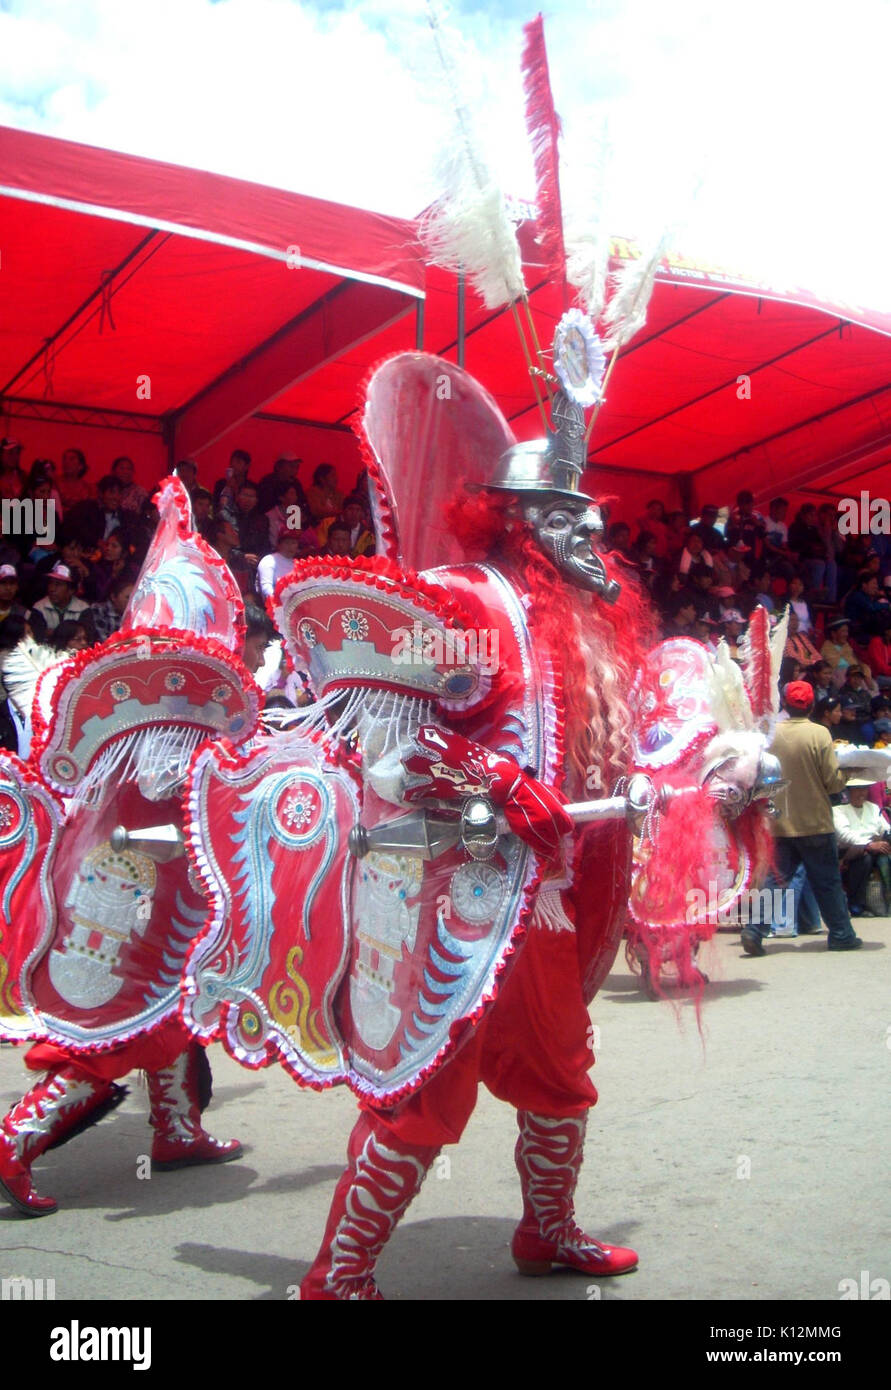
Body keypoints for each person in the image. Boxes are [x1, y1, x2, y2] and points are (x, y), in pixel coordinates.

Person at [742, 681, 862, 955]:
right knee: (827, 881)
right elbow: (833, 783)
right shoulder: (820, 734)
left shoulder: (770, 734)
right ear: (810, 706)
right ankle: (842, 934)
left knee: (775, 880)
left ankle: (754, 930)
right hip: (815, 822)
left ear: (785, 703)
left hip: (779, 822)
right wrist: (849, 773)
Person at [833, 779, 891, 916]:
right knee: (865, 859)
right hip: (851, 852)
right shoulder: (838, 810)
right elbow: (844, 835)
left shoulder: (873, 808)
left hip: (876, 847)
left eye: (864, 789)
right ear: (848, 791)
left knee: (885, 857)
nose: (861, 793)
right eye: (857, 789)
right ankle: (856, 904)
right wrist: (869, 845)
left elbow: (885, 828)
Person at [28, 564, 89, 641]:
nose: (52, 588)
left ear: (71, 590)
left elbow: (86, 639)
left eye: (58, 584)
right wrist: (71, 636)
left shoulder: (83, 609)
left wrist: (53, 633)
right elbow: (37, 638)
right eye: (51, 583)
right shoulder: (39, 607)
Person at [256, 525, 302, 600]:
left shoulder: (297, 564)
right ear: (279, 545)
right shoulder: (269, 560)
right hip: (274, 606)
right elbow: (266, 589)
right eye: (287, 543)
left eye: (293, 543)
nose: (290, 546)